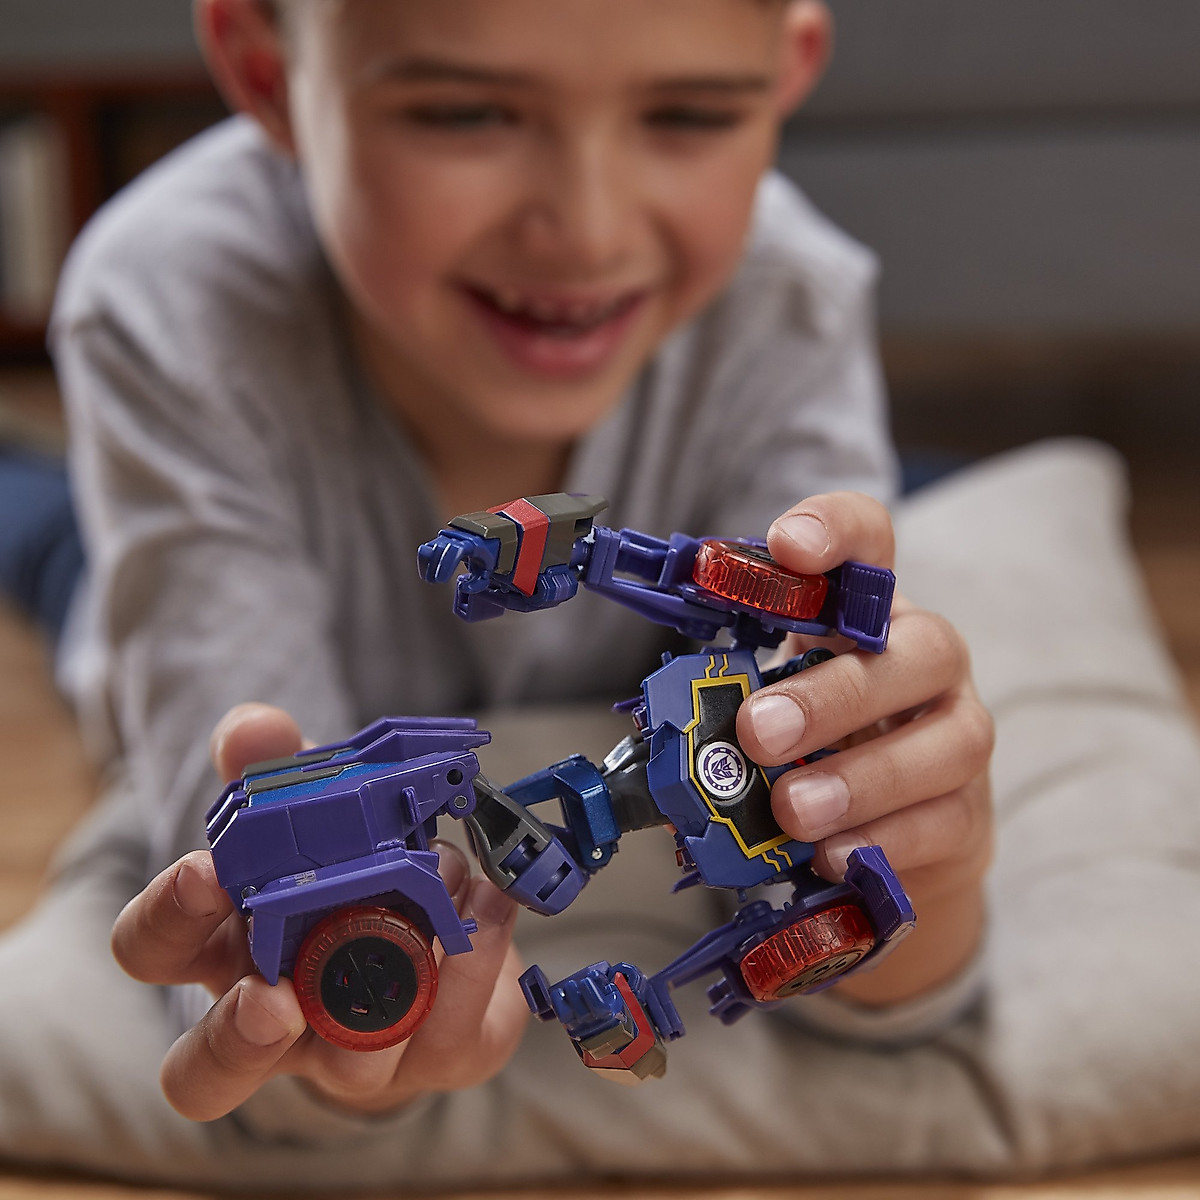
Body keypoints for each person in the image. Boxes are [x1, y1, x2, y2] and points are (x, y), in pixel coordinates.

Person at [6, 0, 1190, 1189]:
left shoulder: (783, 296)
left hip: (659, 609)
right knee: (59, 549)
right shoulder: (167, 296)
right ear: (266, 75)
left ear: (787, 74)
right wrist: (319, 1043)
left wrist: (912, 899)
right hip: (218, 525)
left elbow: (865, 899)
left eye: (689, 113)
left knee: (914, 521)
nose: (584, 230)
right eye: (463, 112)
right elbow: (237, 891)